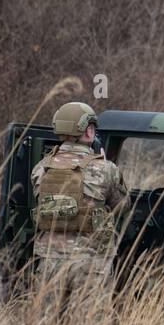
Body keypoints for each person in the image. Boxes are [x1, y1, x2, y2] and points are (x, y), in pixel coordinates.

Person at [30, 101, 128, 299]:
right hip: (90, 260)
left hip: (49, 258)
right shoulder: (105, 169)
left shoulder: (41, 168)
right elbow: (122, 206)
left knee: (44, 322)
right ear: (89, 131)